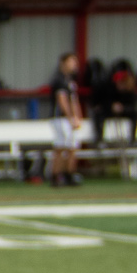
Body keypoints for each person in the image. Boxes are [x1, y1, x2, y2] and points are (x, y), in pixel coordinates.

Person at [49, 53, 85, 187]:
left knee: (72, 146)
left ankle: (69, 174)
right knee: (61, 147)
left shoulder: (70, 80)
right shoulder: (59, 80)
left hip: (70, 118)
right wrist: (70, 117)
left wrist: (78, 117)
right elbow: (62, 100)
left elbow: (74, 100)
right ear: (63, 63)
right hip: (61, 118)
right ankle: (56, 176)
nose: (74, 65)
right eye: (71, 62)